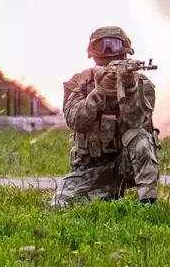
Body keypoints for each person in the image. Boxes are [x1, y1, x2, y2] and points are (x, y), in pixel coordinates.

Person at [49, 26, 161, 207]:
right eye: (102, 46)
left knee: (140, 138)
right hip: (91, 169)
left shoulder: (141, 83)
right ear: (93, 53)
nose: (109, 51)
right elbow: (74, 121)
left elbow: (137, 121)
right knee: (60, 204)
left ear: (126, 51)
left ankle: (148, 204)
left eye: (114, 45)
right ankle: (108, 194)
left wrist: (129, 89)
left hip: (128, 165)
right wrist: (99, 93)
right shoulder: (80, 82)